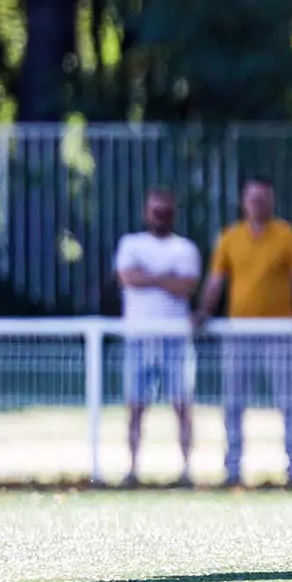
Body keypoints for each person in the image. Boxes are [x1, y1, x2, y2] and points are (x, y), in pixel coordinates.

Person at [197, 178, 292, 487]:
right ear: (243, 202)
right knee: (233, 403)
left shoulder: (286, 235)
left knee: (289, 401)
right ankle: (232, 470)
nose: (258, 204)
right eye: (253, 198)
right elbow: (216, 280)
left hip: (280, 332)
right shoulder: (230, 237)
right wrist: (203, 312)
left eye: (263, 198)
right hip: (239, 331)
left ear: (272, 201)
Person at [115, 187, 202, 487]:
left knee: (183, 405)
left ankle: (187, 469)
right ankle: (132, 468)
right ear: (146, 213)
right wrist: (167, 277)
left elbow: (186, 286)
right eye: (156, 211)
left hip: (176, 339)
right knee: (135, 407)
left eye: (165, 211)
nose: (160, 216)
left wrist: (148, 276)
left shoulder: (185, 249)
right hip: (139, 338)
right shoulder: (130, 244)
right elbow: (128, 278)